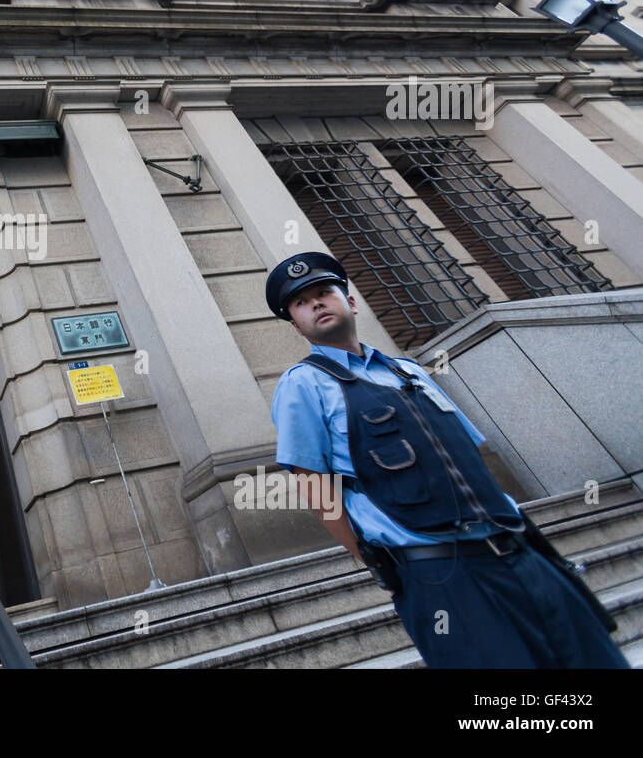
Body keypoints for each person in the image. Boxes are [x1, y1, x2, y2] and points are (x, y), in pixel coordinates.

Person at [266, 251, 628, 668]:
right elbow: (314, 483)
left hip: (523, 554)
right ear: (296, 325)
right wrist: (373, 560)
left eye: (325, 292)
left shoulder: (410, 371)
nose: (315, 303)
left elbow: (465, 454)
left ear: (349, 302)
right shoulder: (303, 384)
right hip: (443, 577)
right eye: (301, 302)